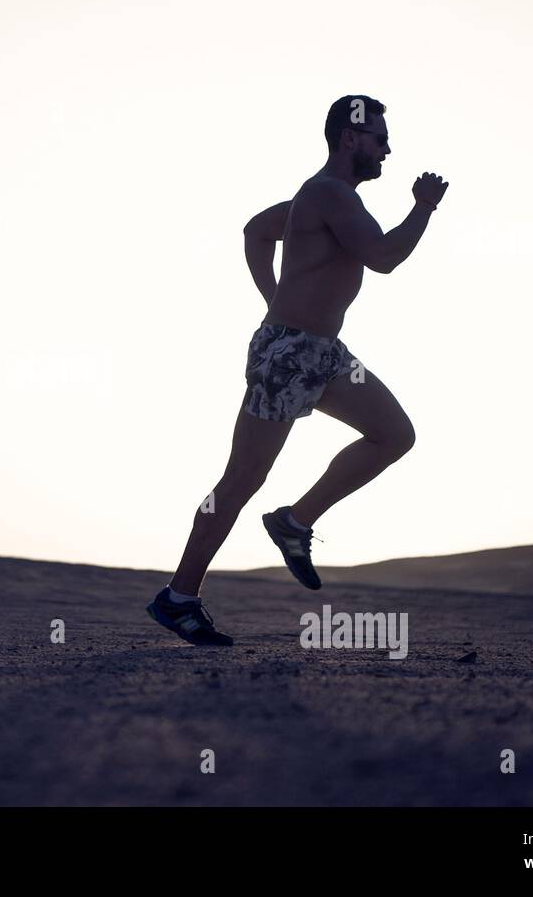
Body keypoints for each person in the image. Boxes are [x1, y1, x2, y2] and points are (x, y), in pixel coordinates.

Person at [147, 94, 448, 646]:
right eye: (380, 138)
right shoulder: (329, 194)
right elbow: (382, 258)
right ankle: (178, 597)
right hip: (289, 357)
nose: (388, 148)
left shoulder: (320, 198)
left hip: (322, 354)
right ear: (349, 137)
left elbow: (256, 230)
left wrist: (276, 302)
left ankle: (294, 521)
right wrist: (424, 206)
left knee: (393, 435)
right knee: (240, 479)